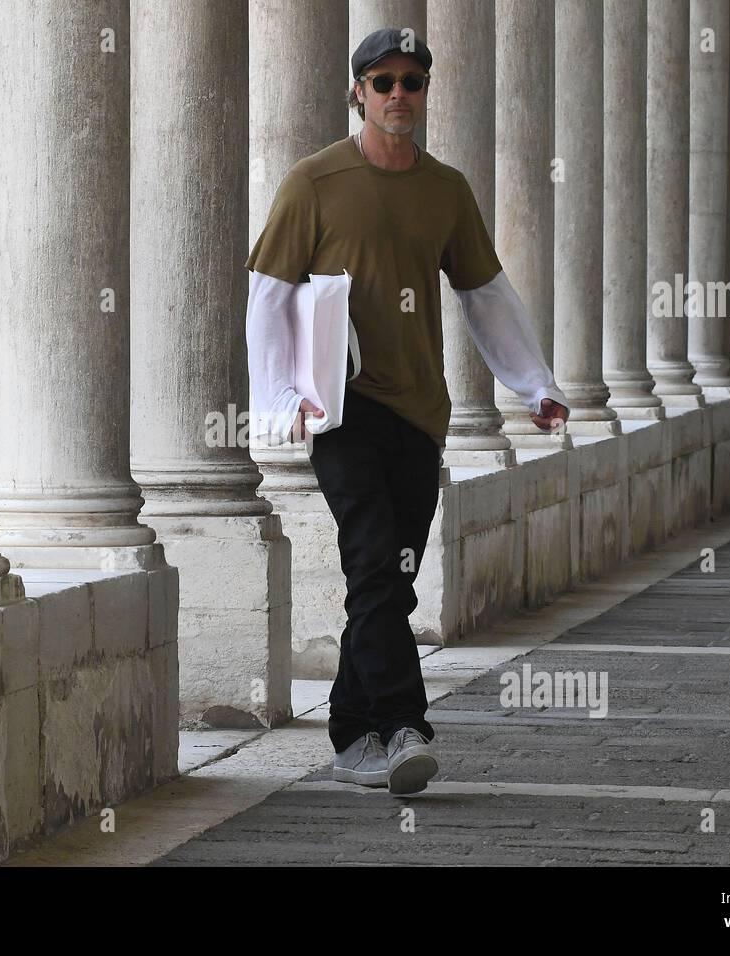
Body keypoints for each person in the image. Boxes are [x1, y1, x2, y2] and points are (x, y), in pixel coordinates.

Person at [245, 27, 570, 794]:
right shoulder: (312, 182)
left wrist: (537, 386)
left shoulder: (446, 189)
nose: (398, 94)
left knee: (393, 576)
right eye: (382, 81)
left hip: (421, 413)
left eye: (411, 82)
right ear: (358, 91)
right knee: (372, 561)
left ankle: (353, 729)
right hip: (341, 407)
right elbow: (268, 293)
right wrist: (280, 395)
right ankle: (401, 727)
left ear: (424, 92)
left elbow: (484, 293)